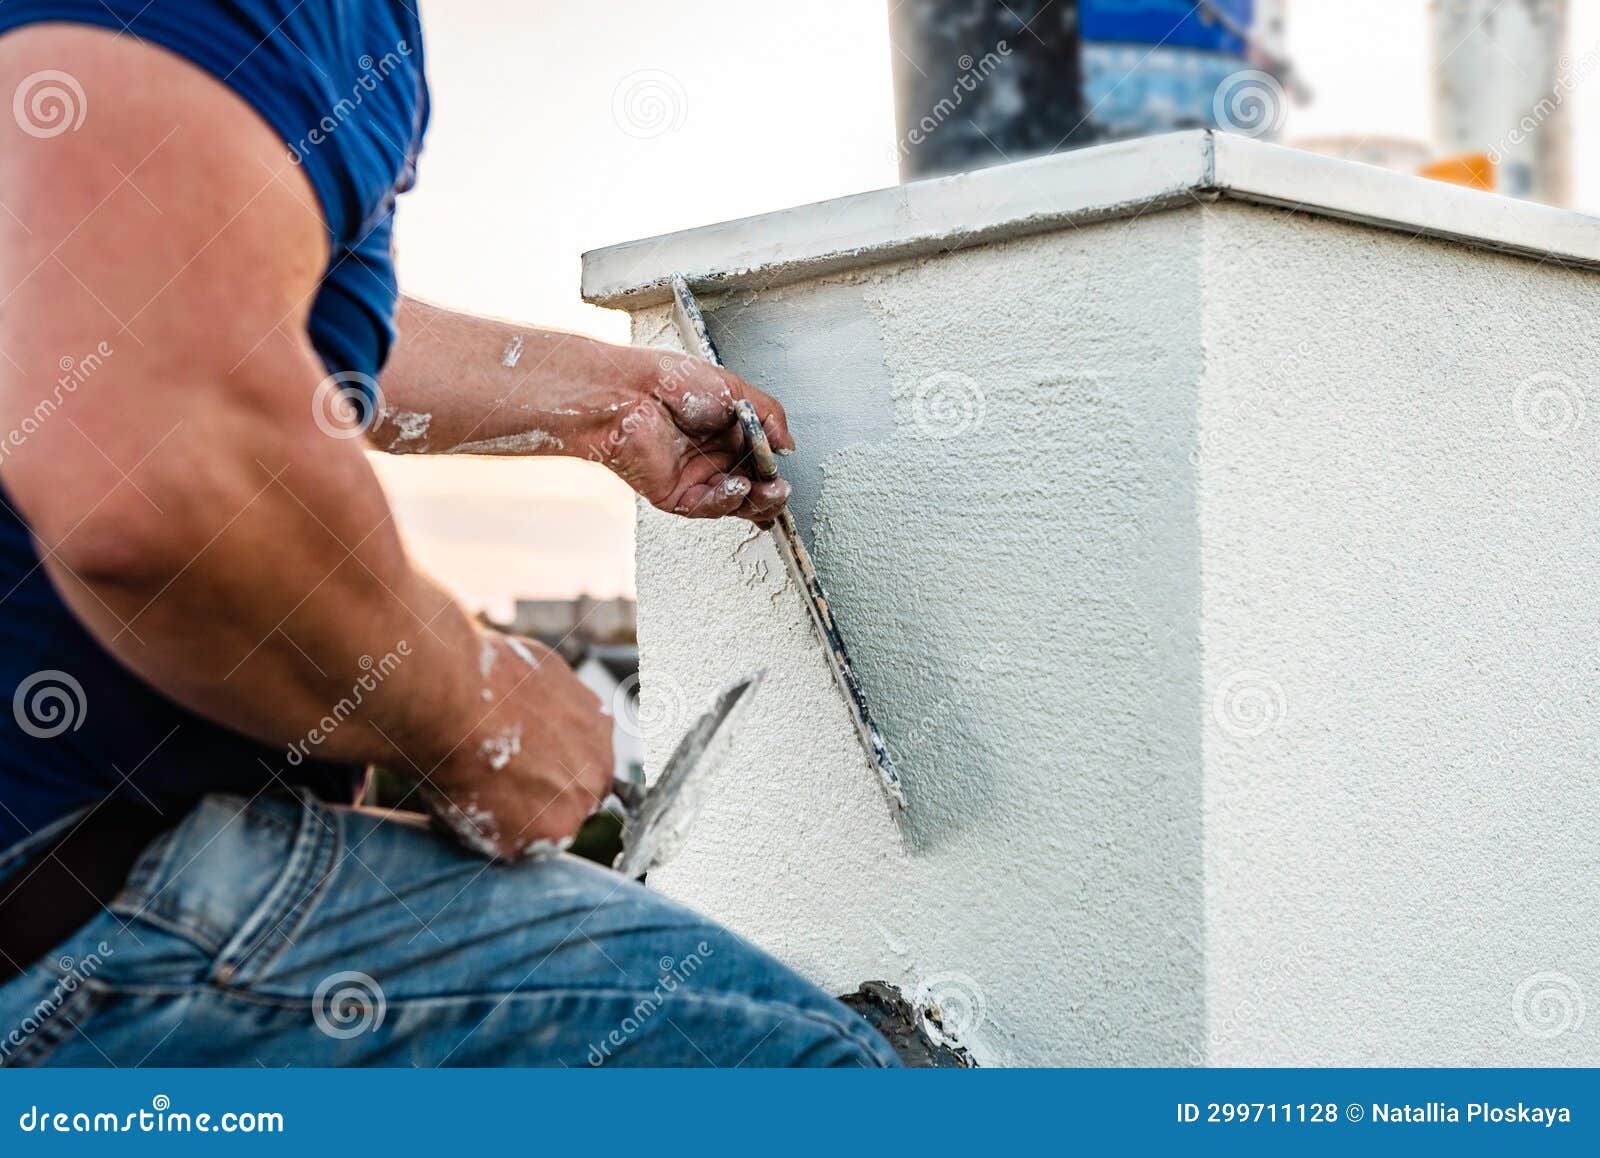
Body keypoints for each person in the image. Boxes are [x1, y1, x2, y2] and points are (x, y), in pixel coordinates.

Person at [0, 3, 899, 1068]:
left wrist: (608, 404)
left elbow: (203, 300)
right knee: (809, 1069)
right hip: (82, 918)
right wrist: (477, 720)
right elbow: (153, 472)